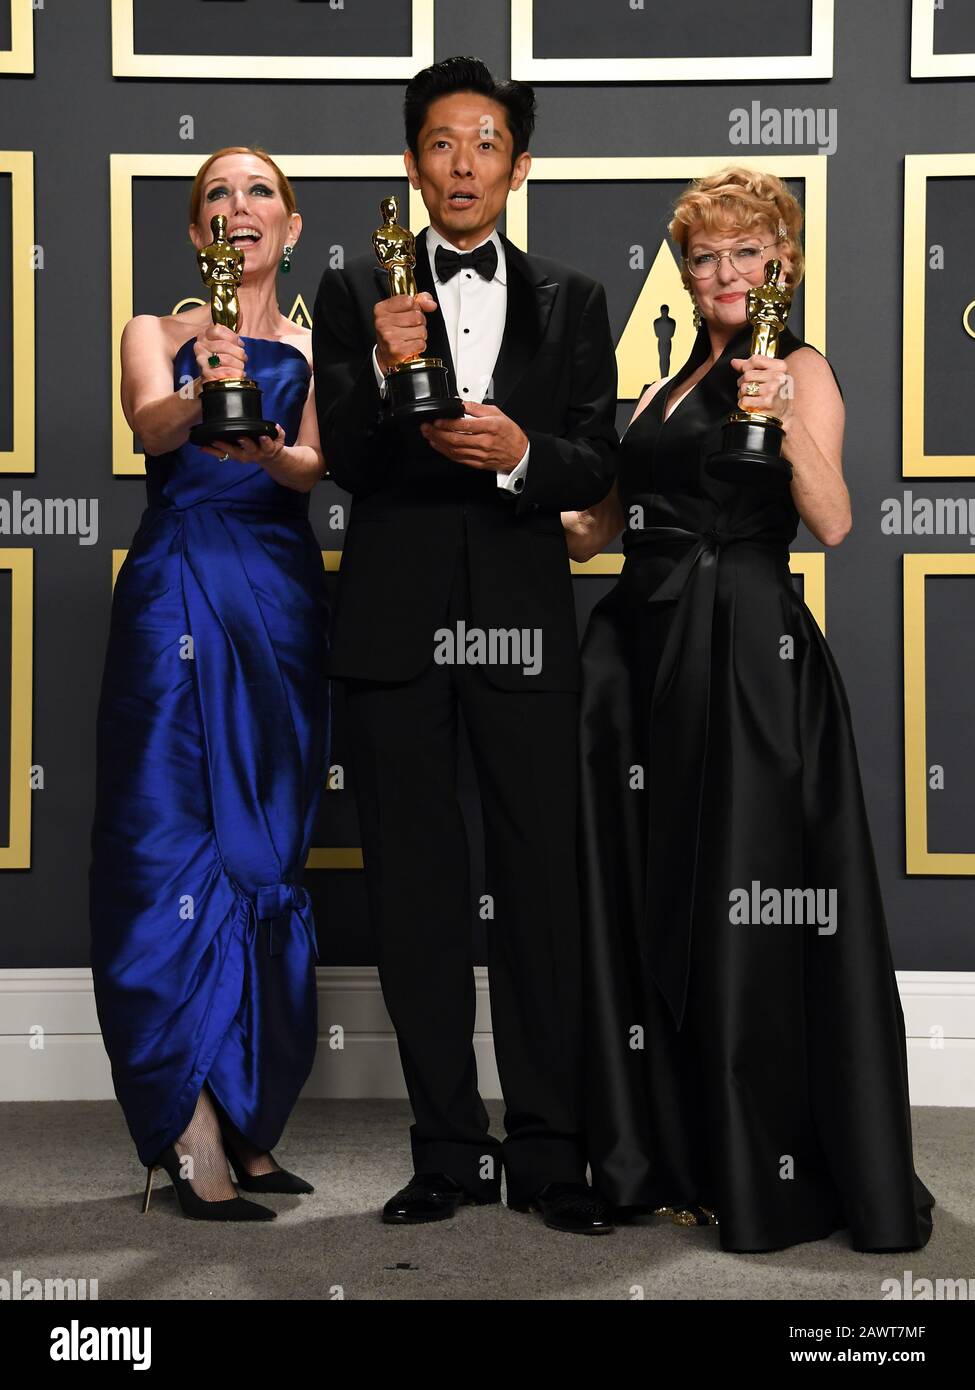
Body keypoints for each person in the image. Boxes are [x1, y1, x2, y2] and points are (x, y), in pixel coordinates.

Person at [563, 166, 935, 1252]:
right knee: (646, 895)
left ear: (783, 262)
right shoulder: (666, 384)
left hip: (746, 651)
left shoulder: (800, 364)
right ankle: (662, 1152)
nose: (723, 271)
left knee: (742, 899)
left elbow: (835, 521)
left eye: (744, 252)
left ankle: (755, 1163)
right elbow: (595, 529)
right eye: (703, 256)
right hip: (639, 650)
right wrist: (507, 475)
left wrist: (786, 417)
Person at [313, 57, 619, 1234]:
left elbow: (597, 462)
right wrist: (389, 371)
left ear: (518, 166)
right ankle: (445, 1146)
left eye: (486, 144)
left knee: (541, 889)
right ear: (411, 162)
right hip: (394, 631)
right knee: (418, 894)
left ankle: (549, 1150)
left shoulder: (579, 300)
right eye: (441, 143)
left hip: (524, 631)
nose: (462, 165)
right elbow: (342, 456)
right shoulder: (353, 296)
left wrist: (523, 458)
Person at [90, 147, 330, 1221]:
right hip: (178, 584)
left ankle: (244, 1110)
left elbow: (313, 467)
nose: (239, 209)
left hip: (277, 594)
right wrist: (202, 379)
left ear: (287, 226)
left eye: (259, 194)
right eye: (217, 196)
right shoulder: (158, 330)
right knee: (169, 841)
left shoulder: (315, 346)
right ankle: (188, 1135)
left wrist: (278, 452)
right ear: (200, 232)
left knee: (265, 846)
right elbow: (149, 424)